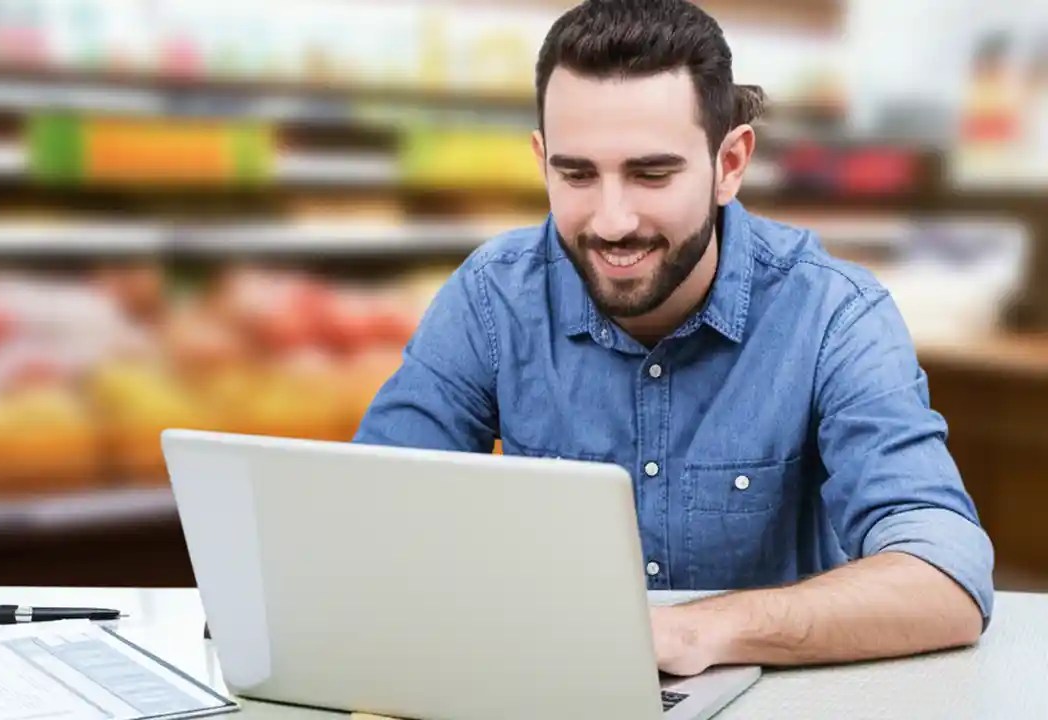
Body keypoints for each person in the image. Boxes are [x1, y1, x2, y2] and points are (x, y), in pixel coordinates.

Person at [354, 0, 993, 677]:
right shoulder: (492, 298)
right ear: (541, 160)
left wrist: (700, 632)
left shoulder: (835, 314)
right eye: (575, 174)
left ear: (731, 163)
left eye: (651, 173)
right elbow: (363, 521)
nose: (611, 219)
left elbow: (944, 575)